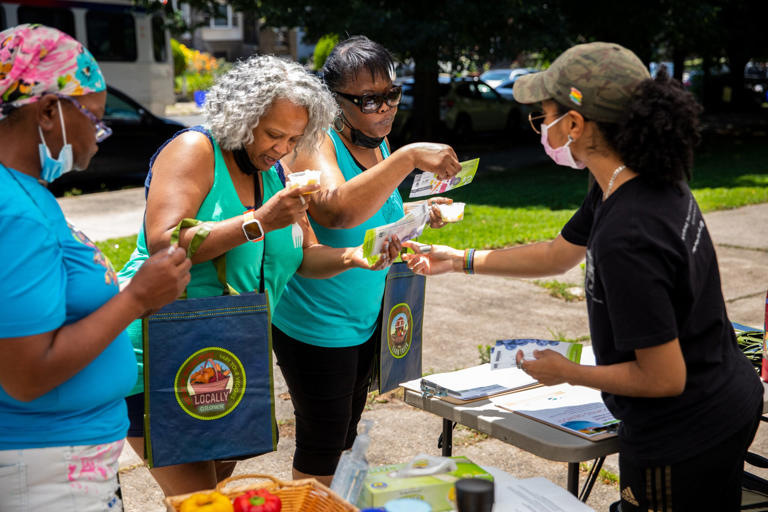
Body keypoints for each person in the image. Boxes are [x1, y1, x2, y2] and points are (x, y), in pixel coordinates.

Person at [401, 42, 763, 511]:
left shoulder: (628, 234)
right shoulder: (625, 179)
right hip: (720, 397)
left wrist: (568, 373)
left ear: (574, 124)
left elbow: (664, 377)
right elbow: (557, 255)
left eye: (544, 115)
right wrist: (461, 259)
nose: (541, 127)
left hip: (686, 429)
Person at [117, 54, 398, 497]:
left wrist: (356, 258)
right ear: (241, 117)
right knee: (202, 502)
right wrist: (259, 221)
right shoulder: (195, 150)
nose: (283, 149)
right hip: (159, 354)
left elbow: (306, 256)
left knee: (212, 494)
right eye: (273, 135)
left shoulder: (273, 174)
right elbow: (165, 241)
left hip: (222, 357)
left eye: (294, 138)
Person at [0, 25, 190, 511]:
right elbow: (25, 374)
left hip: (60, 459)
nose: (100, 137)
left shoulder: (23, 195)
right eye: (95, 119)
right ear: (47, 111)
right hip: (48, 468)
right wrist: (136, 300)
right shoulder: (16, 213)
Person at [272, 35, 462, 486]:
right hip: (317, 325)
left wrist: (418, 218)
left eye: (391, 95)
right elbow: (338, 209)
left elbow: (375, 214)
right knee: (321, 445)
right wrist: (409, 156)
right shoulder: (317, 140)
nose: (384, 108)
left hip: (364, 320)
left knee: (343, 437)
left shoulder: (376, 140)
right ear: (334, 102)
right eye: (368, 99)